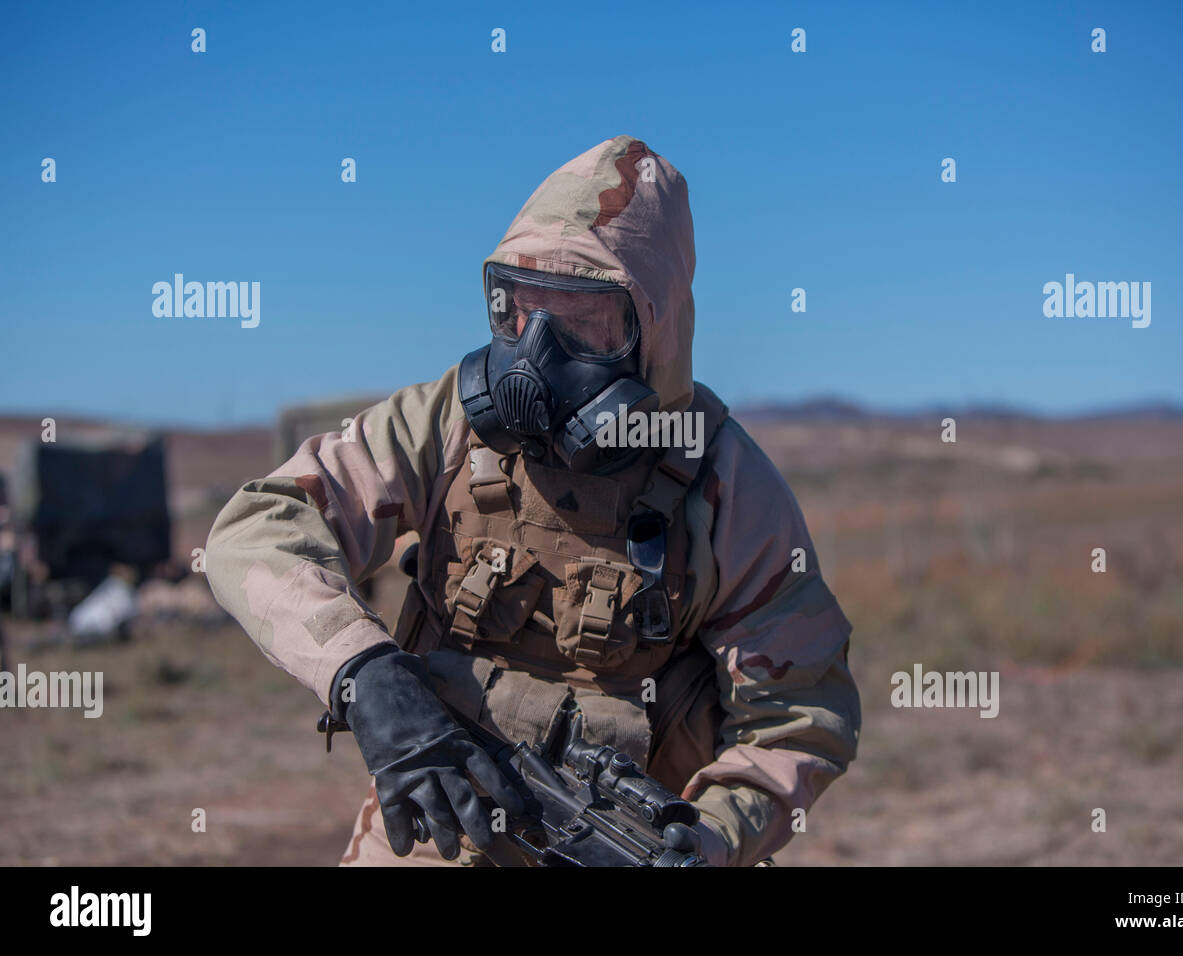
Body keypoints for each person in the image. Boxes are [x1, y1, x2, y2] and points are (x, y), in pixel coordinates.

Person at [205, 135, 861, 867]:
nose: (534, 355)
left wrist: (705, 842)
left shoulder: (725, 482)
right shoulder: (443, 422)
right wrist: (366, 675)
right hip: (444, 817)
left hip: (628, 845)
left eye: (581, 323)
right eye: (518, 311)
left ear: (653, 330)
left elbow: (797, 718)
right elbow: (257, 529)